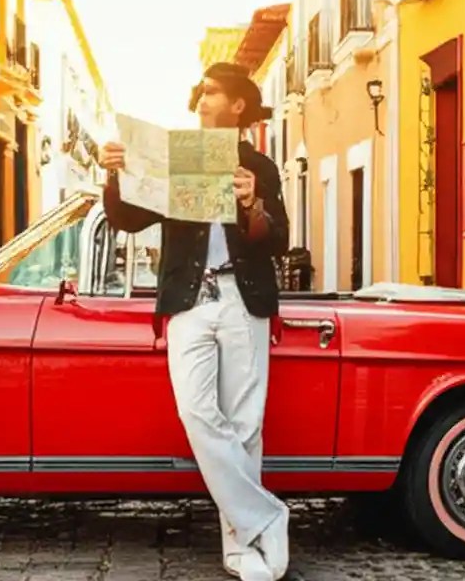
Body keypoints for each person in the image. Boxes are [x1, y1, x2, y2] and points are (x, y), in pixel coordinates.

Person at [96, 62, 291, 581]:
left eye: (211, 93)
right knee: (198, 412)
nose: (201, 102)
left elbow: (278, 240)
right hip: (190, 301)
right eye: (200, 94)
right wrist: (115, 173)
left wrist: (252, 204)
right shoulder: (172, 155)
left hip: (242, 299)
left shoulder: (260, 166)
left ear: (238, 106)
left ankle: (240, 548)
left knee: (246, 424)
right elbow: (128, 219)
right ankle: (265, 517)